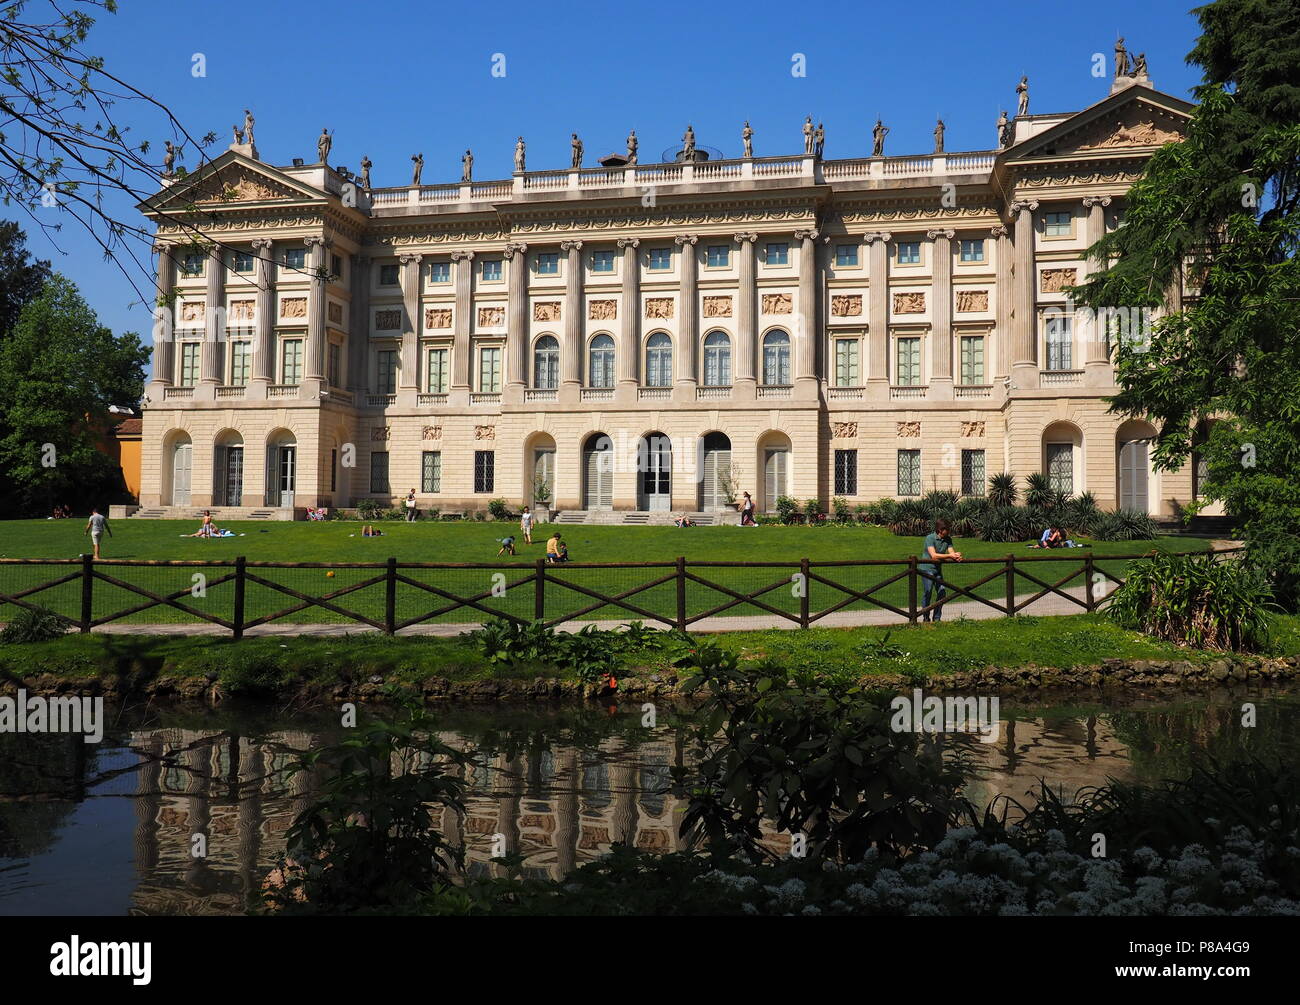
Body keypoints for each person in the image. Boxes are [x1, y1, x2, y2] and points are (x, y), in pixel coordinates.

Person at [918, 518, 962, 622]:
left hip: (937, 570)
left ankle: (937, 618)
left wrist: (957, 556)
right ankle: (925, 617)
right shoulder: (930, 538)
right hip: (926, 569)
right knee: (928, 591)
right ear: (940, 530)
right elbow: (933, 555)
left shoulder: (948, 539)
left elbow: (951, 552)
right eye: (947, 529)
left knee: (942, 592)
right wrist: (951, 555)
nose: (949, 531)